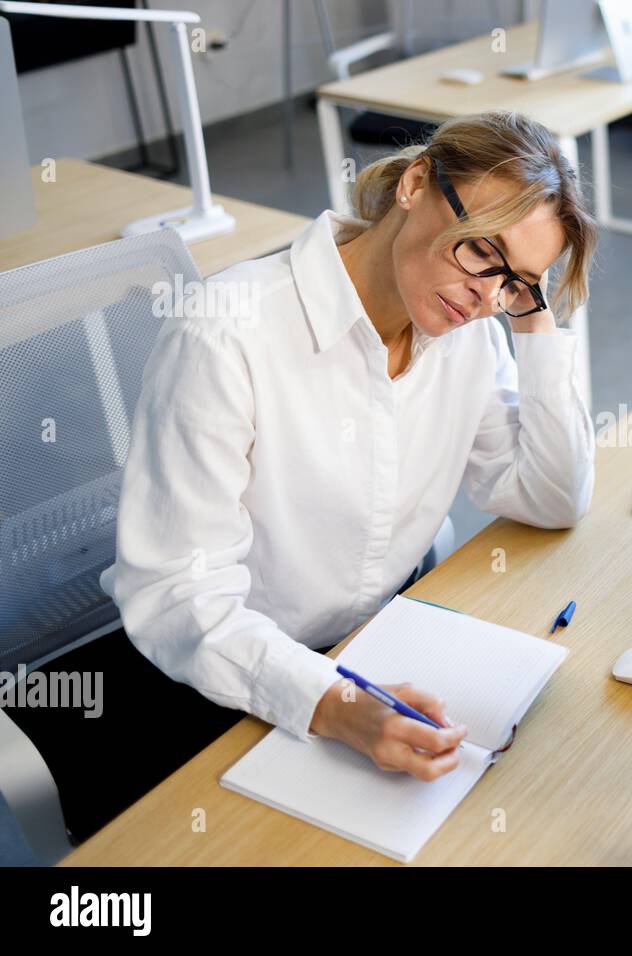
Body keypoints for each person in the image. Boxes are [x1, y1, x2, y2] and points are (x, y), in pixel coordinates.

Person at [11, 111, 598, 843]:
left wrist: (534, 319)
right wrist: (337, 706)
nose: (487, 296)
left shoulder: (467, 329)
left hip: (362, 652)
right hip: (216, 678)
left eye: (517, 282)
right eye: (484, 252)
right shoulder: (228, 333)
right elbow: (179, 596)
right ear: (416, 183)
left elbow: (549, 494)